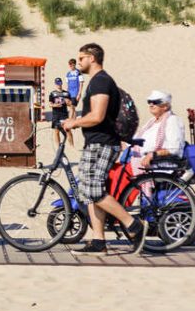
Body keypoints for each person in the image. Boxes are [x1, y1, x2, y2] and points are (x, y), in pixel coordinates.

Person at [62, 43, 146, 255]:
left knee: (93, 190)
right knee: (89, 191)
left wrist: (75, 122)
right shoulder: (98, 82)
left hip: (103, 142)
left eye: (81, 58)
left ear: (92, 58)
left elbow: (98, 116)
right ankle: (98, 241)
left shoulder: (101, 81)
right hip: (96, 142)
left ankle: (132, 224)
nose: (78, 62)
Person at [130, 90, 186, 176]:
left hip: (159, 164)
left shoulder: (173, 121)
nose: (151, 104)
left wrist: (151, 155)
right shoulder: (151, 122)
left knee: (118, 175)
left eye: (156, 102)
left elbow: (174, 148)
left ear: (166, 106)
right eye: (149, 102)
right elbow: (135, 140)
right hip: (140, 160)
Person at [48, 77, 74, 147]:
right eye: (57, 84)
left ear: (61, 83)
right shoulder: (52, 93)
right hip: (56, 115)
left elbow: (71, 106)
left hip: (64, 115)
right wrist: (55, 105)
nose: (58, 85)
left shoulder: (66, 93)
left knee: (68, 130)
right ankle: (58, 146)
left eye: (59, 83)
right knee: (56, 131)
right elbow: (50, 104)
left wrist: (70, 118)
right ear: (55, 84)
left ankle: (71, 146)